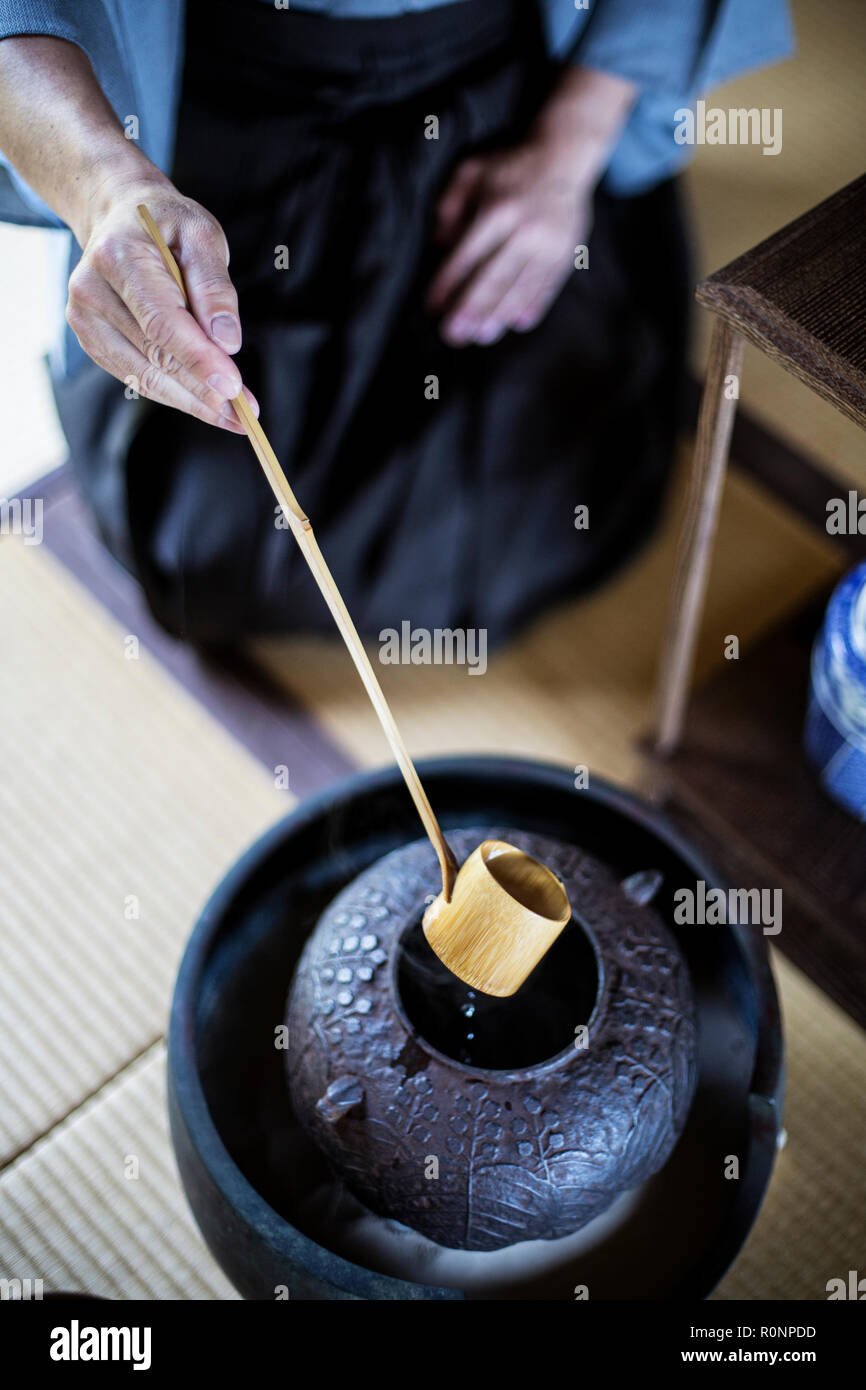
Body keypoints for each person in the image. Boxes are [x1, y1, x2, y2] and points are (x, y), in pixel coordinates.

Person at [0, 0, 792, 646]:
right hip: (218, 120)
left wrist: (573, 141)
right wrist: (103, 184)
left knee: (553, 501)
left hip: (502, 94)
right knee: (206, 546)